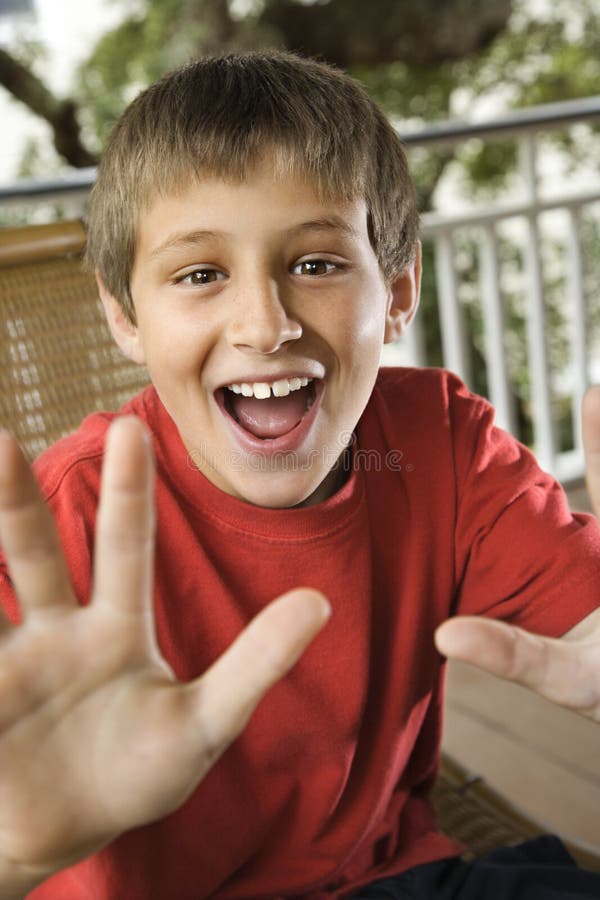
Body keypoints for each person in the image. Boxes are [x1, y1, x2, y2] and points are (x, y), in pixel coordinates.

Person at [0, 50, 599, 900]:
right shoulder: (57, 531)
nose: (264, 324)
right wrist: (16, 857)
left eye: (315, 264)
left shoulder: (437, 444)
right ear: (124, 314)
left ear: (396, 291)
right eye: (201, 274)